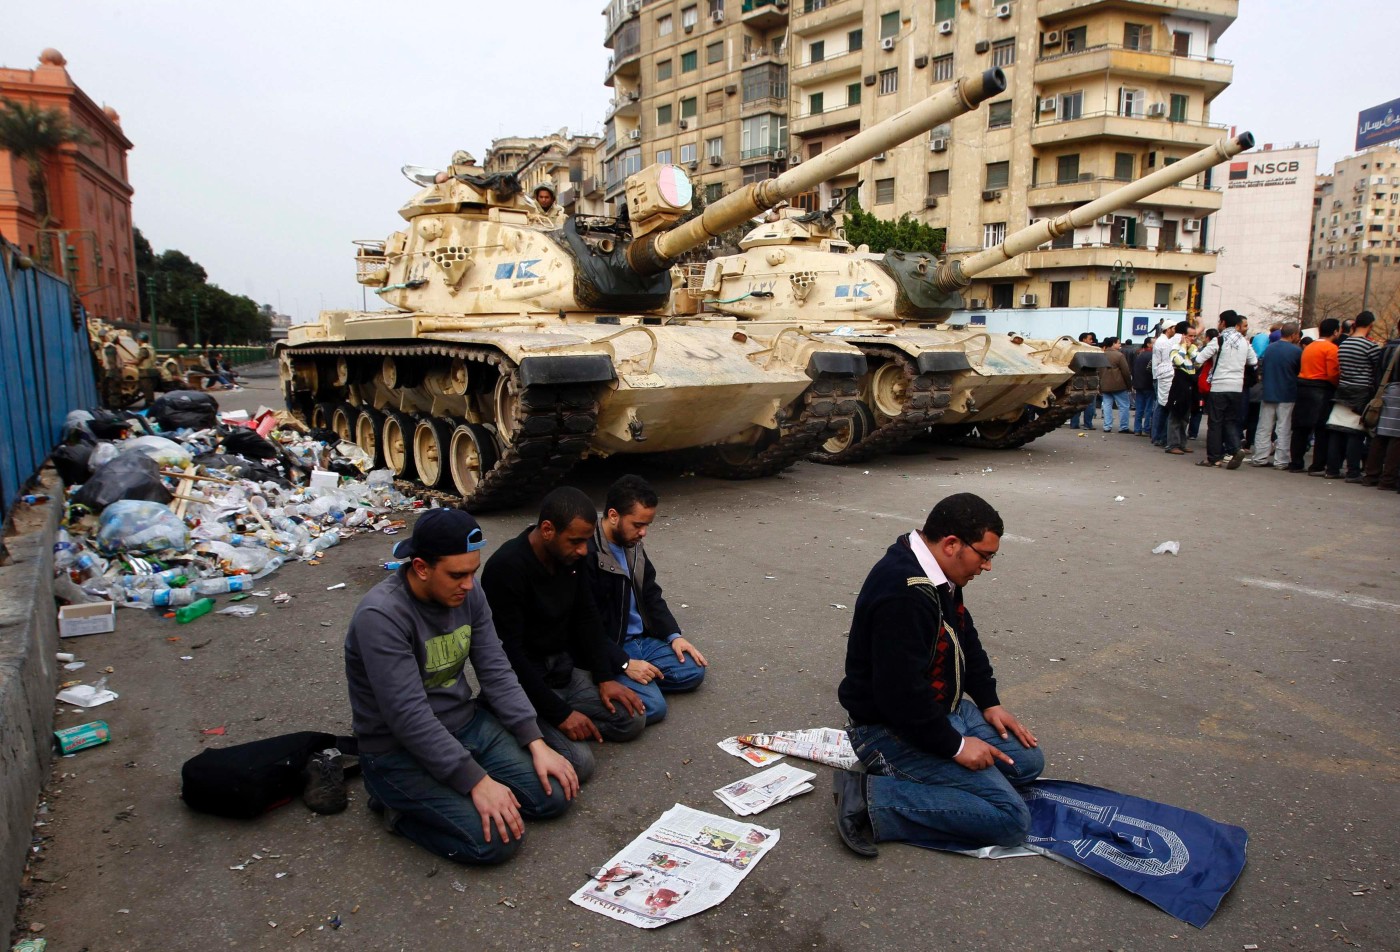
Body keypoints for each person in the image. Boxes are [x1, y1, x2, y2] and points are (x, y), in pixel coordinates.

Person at [345, 508, 578, 866]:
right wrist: (476, 781)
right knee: (495, 843)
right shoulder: (381, 616)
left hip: (465, 724)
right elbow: (409, 718)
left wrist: (534, 740)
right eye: (457, 575)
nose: (469, 585)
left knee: (557, 794)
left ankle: (447, 792)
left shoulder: (468, 593)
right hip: (397, 749)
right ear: (421, 567)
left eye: (473, 572)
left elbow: (496, 669)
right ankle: (395, 808)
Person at [834, 493, 1042, 856]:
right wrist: (956, 746)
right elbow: (898, 696)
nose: (987, 566)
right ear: (951, 544)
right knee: (1010, 819)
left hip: (941, 709)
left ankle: (929, 776)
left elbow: (965, 638)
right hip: (889, 728)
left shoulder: (937, 571)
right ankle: (870, 798)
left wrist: (989, 702)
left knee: (1026, 764)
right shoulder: (905, 593)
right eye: (985, 555)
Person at [482, 487, 647, 781]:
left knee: (633, 719)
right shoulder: (506, 568)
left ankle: (553, 726)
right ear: (547, 530)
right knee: (580, 765)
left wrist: (604, 677)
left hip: (562, 672)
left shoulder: (573, 558)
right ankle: (511, 725)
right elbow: (510, 656)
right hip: (523, 682)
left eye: (586, 540)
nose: (584, 550)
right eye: (575, 541)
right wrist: (560, 715)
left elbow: (587, 618)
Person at [583, 475, 707, 726]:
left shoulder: (632, 544)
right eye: (638, 524)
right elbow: (584, 625)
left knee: (693, 672)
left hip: (641, 643)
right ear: (614, 515)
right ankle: (601, 687)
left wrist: (674, 636)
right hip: (610, 646)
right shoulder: (586, 552)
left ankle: (637, 683)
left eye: (647, 524)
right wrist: (624, 662)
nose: (644, 533)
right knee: (653, 707)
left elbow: (651, 593)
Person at [1192, 311, 1257, 469]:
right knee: (1230, 421)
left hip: (1219, 386)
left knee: (1215, 422)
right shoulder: (1244, 341)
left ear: (1222, 323)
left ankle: (1214, 458)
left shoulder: (1218, 340)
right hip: (1237, 387)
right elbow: (1253, 361)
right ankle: (1235, 449)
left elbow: (1199, 359)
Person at [1323, 311, 1381, 481]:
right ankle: (1353, 471)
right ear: (1370, 326)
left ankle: (1332, 468)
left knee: (1337, 429)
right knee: (1355, 432)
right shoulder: (1370, 346)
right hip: (1361, 390)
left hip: (1343, 388)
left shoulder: (1344, 345)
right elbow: (1377, 368)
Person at [1288, 318, 1341, 473]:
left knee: (1300, 428)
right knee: (1321, 429)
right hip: (1321, 388)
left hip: (1303, 387)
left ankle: (1296, 462)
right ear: (1335, 331)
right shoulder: (1331, 349)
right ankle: (1317, 465)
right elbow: (1332, 373)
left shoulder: (1309, 347)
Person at [1251, 321, 1303, 468]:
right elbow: (1299, 372)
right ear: (1293, 335)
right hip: (1287, 393)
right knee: (1284, 428)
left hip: (1268, 391)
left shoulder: (1270, 348)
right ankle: (1281, 460)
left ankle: (1260, 457)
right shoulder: (1296, 351)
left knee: (1264, 427)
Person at [1164, 325, 1201, 456]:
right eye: (1190, 335)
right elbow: (1178, 361)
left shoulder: (1193, 348)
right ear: (1183, 335)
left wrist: (1190, 348)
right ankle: (1172, 444)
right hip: (1179, 382)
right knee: (1175, 415)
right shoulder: (1176, 348)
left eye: (1194, 336)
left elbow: (1198, 361)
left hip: (1190, 382)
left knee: (1185, 416)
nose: (1192, 338)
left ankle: (1182, 443)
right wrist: (1183, 347)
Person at [1151, 322, 1181, 446]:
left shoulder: (1163, 341)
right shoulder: (1164, 342)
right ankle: (1158, 436)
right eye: (1174, 329)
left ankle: (1158, 436)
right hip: (1162, 376)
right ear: (1168, 329)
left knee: (1161, 406)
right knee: (1162, 406)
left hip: (1160, 375)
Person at [1097, 338, 1132, 433]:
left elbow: (1098, 372)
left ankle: (1107, 426)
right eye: (1118, 343)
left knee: (1107, 405)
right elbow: (1126, 372)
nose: (1120, 345)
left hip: (1105, 385)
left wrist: (1100, 385)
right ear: (1113, 344)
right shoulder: (1119, 355)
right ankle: (1123, 427)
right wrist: (1129, 385)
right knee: (1124, 405)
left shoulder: (1101, 355)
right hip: (1118, 385)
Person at [1131, 336, 1156, 437]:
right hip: (1148, 384)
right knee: (1149, 408)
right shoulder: (1153, 355)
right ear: (1148, 344)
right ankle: (1147, 428)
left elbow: (1134, 369)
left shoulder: (1139, 354)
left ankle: (1137, 429)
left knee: (1139, 408)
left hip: (1138, 384)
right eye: (1154, 343)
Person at [135, 332, 158, 405]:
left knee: (147, 389)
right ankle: (150, 403)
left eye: (137, 340)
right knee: (149, 389)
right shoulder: (151, 347)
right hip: (151, 371)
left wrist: (126, 362)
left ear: (140, 340)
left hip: (145, 372)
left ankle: (149, 404)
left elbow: (138, 361)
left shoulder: (143, 349)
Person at [101, 331, 123, 407]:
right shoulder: (110, 348)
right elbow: (112, 363)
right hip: (112, 374)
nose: (119, 340)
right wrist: (116, 375)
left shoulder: (110, 347)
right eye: (117, 338)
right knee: (115, 392)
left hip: (111, 373)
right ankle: (115, 408)